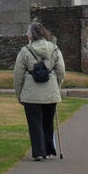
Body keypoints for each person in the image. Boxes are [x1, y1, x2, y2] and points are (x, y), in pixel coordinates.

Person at [13, 21, 65, 161]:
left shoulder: (25, 51)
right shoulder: (54, 48)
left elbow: (18, 74)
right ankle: (48, 151)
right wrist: (57, 86)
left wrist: (19, 93)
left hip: (31, 93)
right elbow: (61, 71)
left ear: (30, 36)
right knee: (48, 122)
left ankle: (38, 152)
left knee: (35, 124)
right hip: (50, 91)